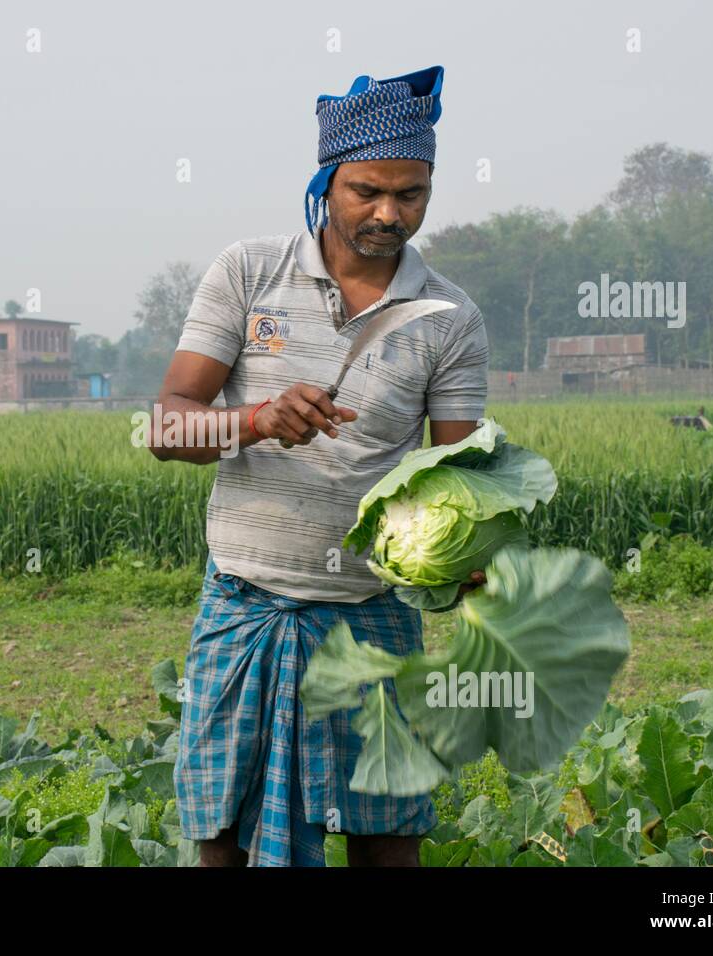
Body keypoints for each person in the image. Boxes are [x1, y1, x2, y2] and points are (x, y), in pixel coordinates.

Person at [148, 65, 489, 867]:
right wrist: (260, 420)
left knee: (387, 842)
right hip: (246, 608)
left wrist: (464, 552)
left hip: (368, 614)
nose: (388, 213)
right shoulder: (247, 274)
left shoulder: (449, 317)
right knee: (224, 843)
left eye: (411, 194)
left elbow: (455, 476)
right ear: (325, 181)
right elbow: (166, 424)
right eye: (367, 190)